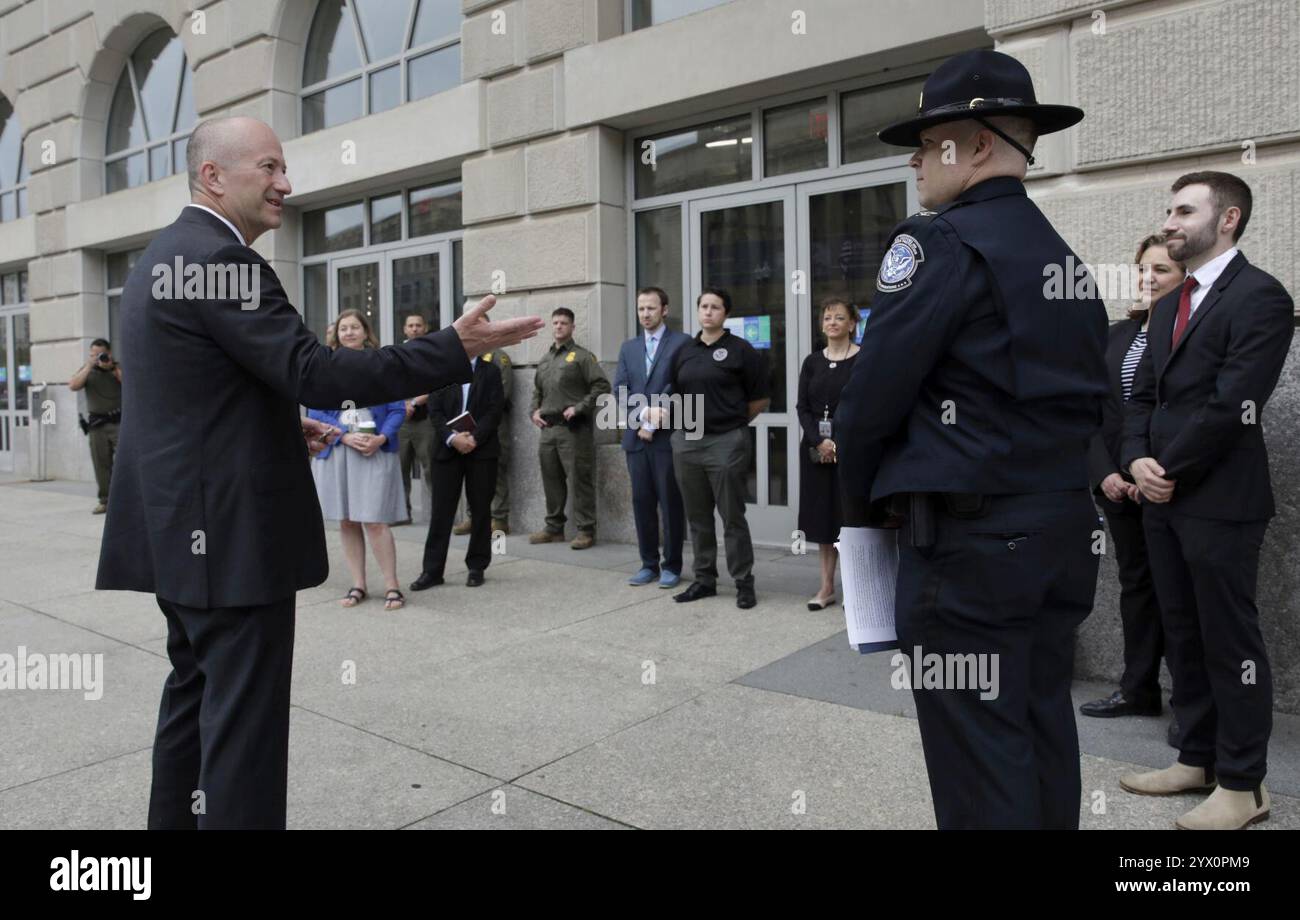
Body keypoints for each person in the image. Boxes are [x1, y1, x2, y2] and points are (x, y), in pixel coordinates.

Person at [94, 115, 542, 830]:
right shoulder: (224, 261)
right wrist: (450, 346)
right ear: (214, 176)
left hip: (181, 533)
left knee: (195, 704)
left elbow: (189, 395)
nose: (285, 183)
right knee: (243, 733)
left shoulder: (161, 257)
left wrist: (276, 421)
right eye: (268, 168)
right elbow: (318, 370)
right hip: (230, 543)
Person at [835, 49, 1107, 829]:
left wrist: (866, 511)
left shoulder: (939, 244)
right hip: (1058, 534)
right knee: (1038, 723)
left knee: (977, 757)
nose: (918, 159)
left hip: (970, 550)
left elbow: (867, 404)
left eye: (932, 140)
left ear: (981, 144)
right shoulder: (1069, 264)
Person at [1119, 171, 1294, 830]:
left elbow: (1234, 403)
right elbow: (1142, 396)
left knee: (1230, 641)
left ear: (1229, 219)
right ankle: (1196, 756)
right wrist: (1137, 457)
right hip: (1160, 496)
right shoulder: (1169, 304)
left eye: (1184, 210)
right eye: (1168, 209)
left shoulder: (1261, 298)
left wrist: (1167, 466)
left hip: (1220, 500)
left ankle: (1245, 784)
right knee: (1183, 632)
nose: (1170, 222)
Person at [1080, 234, 1185, 727]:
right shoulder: (1115, 335)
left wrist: (1151, 472)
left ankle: (1191, 702)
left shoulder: (1191, 332)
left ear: (1186, 277)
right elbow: (1093, 413)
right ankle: (1137, 688)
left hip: (1170, 486)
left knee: (1180, 592)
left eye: (1161, 270)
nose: (1148, 279)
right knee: (1137, 587)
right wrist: (1104, 474)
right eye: (1143, 269)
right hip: (1119, 488)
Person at [651, 288, 769, 609]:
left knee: (732, 515)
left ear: (725, 314)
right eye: (704, 306)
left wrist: (729, 422)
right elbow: (676, 395)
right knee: (698, 516)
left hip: (726, 442)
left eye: (715, 307)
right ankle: (704, 579)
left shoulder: (740, 350)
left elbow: (759, 399)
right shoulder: (685, 351)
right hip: (687, 442)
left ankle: (743, 581)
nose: (708, 312)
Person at [307, 309, 410, 612]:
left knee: (375, 521)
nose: (349, 332)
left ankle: (392, 586)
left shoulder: (384, 364)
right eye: (343, 329)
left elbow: (397, 409)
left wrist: (381, 438)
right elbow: (315, 410)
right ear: (336, 334)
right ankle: (358, 584)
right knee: (348, 520)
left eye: (355, 327)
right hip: (339, 449)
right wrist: (341, 436)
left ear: (366, 332)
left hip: (373, 449)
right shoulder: (324, 366)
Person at [613, 286, 690, 588]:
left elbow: (681, 384)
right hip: (636, 439)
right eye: (641, 309)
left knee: (671, 503)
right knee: (641, 502)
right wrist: (644, 417)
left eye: (651, 309)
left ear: (665, 310)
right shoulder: (628, 348)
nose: (645, 314)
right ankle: (648, 564)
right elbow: (619, 389)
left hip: (667, 439)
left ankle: (672, 565)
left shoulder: (681, 343)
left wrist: (657, 418)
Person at [411, 353, 505, 590]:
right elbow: (435, 410)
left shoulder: (491, 371)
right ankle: (432, 571)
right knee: (441, 512)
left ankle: (477, 566)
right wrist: (453, 438)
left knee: (481, 509)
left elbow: (495, 410)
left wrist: (473, 438)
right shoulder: (441, 369)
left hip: (481, 450)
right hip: (447, 450)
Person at [796, 298, 861, 610]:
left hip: (851, 453)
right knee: (824, 521)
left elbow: (866, 405)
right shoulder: (812, 362)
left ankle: (856, 589)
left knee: (851, 520)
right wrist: (818, 441)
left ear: (852, 324)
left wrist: (839, 441)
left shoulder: (864, 359)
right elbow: (803, 408)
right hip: (816, 454)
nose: (832, 322)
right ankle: (826, 587)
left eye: (839, 317)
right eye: (827, 317)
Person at [528, 308, 611, 549]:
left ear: (572, 327)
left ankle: (586, 530)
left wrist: (579, 407)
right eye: (555, 323)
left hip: (573, 430)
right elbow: (537, 391)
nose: (559, 326)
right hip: (548, 430)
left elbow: (601, 386)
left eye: (564, 323)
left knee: (579, 480)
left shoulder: (583, 357)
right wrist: (533, 411)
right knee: (551, 481)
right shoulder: (545, 359)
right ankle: (554, 528)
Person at [453, 347, 514, 535]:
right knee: (471, 472)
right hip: (467, 425)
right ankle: (474, 516)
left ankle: (499, 518)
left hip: (493, 425)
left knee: (495, 473)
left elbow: (502, 394)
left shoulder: (499, 357)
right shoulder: (466, 358)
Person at [69, 339, 122, 514]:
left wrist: (112, 368)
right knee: (101, 464)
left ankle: (127, 498)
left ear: (109, 353)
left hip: (118, 422)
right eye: (93, 354)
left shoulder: (116, 367)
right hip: (97, 425)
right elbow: (73, 385)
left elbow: (130, 383)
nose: (97, 357)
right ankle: (105, 500)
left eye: (100, 354)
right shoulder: (87, 370)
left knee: (125, 462)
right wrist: (89, 366)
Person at [396, 313, 435, 525]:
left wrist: (415, 402)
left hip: (425, 420)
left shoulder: (431, 353)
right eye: (410, 325)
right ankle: (403, 514)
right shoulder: (398, 354)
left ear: (425, 328)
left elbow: (438, 384)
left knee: (430, 469)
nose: (414, 329)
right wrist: (402, 405)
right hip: (402, 421)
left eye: (418, 325)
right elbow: (391, 383)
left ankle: (439, 515)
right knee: (401, 469)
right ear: (404, 329)